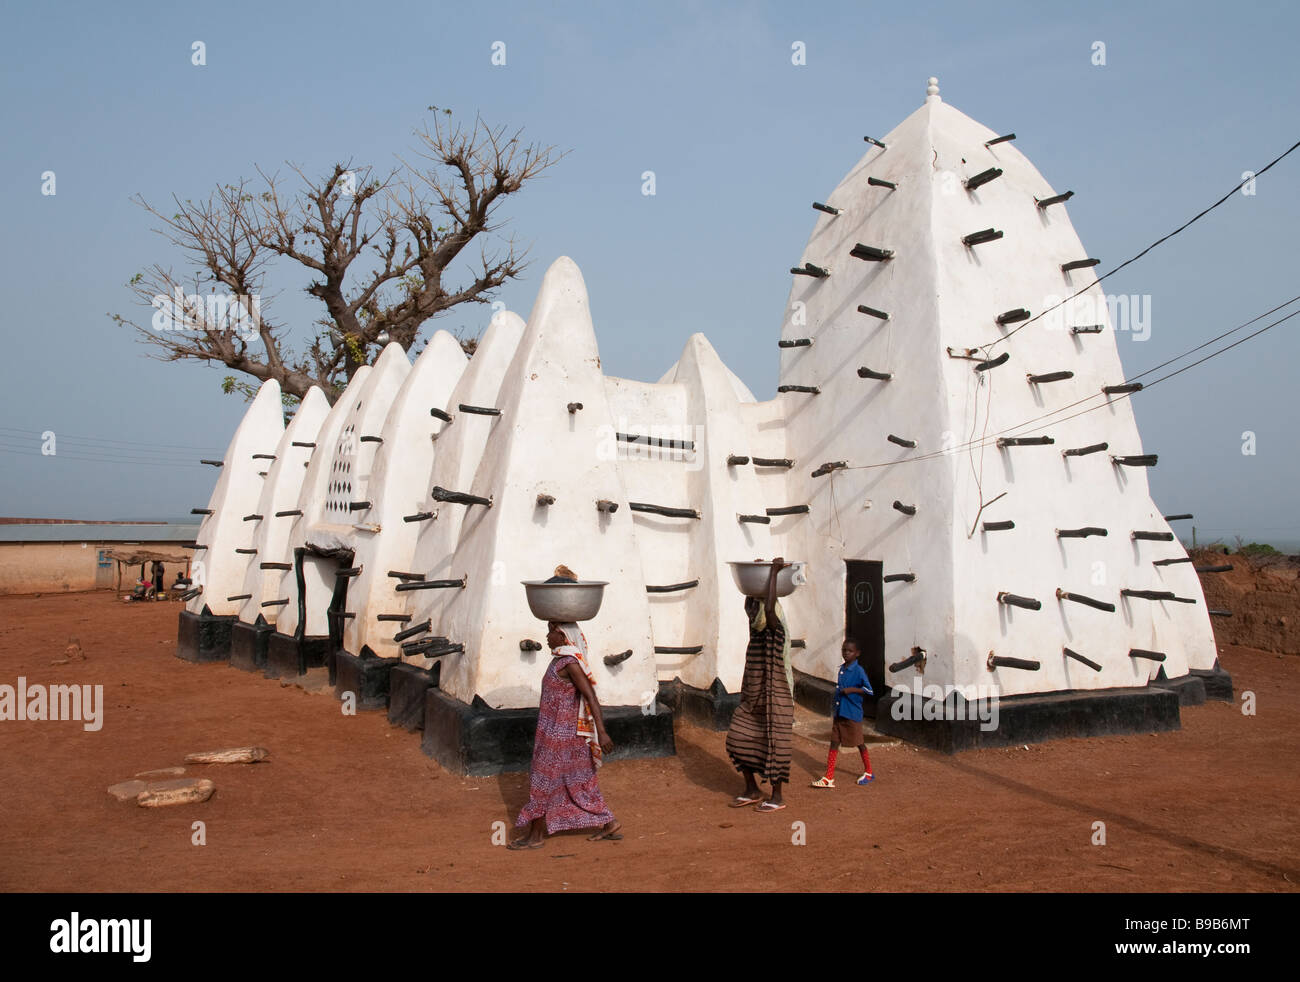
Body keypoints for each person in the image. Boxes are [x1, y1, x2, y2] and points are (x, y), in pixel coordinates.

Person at [510, 606, 622, 850]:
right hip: (553, 733)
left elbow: (590, 695)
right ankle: (608, 823)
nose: (546, 636)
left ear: (563, 636)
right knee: (579, 780)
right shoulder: (559, 660)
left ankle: (536, 835)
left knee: (542, 780)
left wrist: (601, 732)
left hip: (562, 735)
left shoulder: (570, 662)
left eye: (551, 631)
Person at [725, 557, 795, 812]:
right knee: (737, 737)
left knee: (775, 741)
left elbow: (768, 610)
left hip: (778, 690)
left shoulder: (775, 627)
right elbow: (755, 605)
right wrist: (758, 579)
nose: (753, 611)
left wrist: (773, 574)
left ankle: (777, 796)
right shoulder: (756, 624)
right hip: (755, 689)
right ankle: (752, 789)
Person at [810, 637, 875, 788]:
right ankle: (829, 777)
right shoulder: (842, 669)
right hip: (840, 712)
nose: (846, 653)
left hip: (852, 713)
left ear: (857, 653)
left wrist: (851, 690)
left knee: (859, 743)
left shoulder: (858, 671)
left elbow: (869, 690)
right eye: (844, 650)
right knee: (834, 742)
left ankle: (869, 771)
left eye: (850, 651)